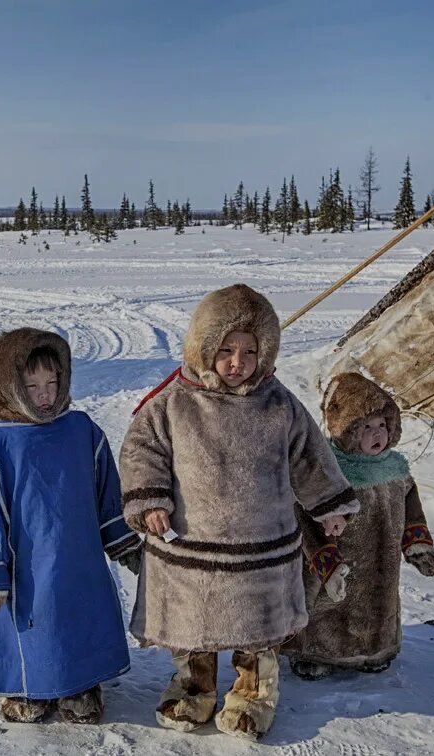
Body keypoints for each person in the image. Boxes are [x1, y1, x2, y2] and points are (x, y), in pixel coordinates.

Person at [120, 284, 359, 740]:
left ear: (265, 352)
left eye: (249, 350)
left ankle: (253, 694)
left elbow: (310, 455)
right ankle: (193, 688)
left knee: (258, 630)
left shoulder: (278, 402)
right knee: (193, 625)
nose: (237, 361)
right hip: (188, 544)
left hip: (261, 547)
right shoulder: (173, 402)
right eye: (226, 349)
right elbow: (141, 450)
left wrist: (328, 505)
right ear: (204, 347)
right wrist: (150, 499)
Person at [0, 328, 142, 724]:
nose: (46, 395)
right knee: (31, 626)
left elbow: (106, 490)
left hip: (77, 558)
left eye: (53, 383)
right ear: (8, 386)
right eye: (32, 385)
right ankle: (25, 687)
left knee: (78, 616)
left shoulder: (82, 431)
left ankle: (82, 686)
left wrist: (123, 542)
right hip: (24, 567)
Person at [284, 372, 434, 680]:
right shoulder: (329, 472)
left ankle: (375, 651)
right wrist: (325, 561)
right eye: (366, 427)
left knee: (379, 602)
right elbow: (305, 520)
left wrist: (418, 546)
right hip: (339, 564)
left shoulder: (396, 471)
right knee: (330, 608)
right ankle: (315, 652)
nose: (377, 434)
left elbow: (412, 511)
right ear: (346, 429)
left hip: (383, 564)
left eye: (382, 425)